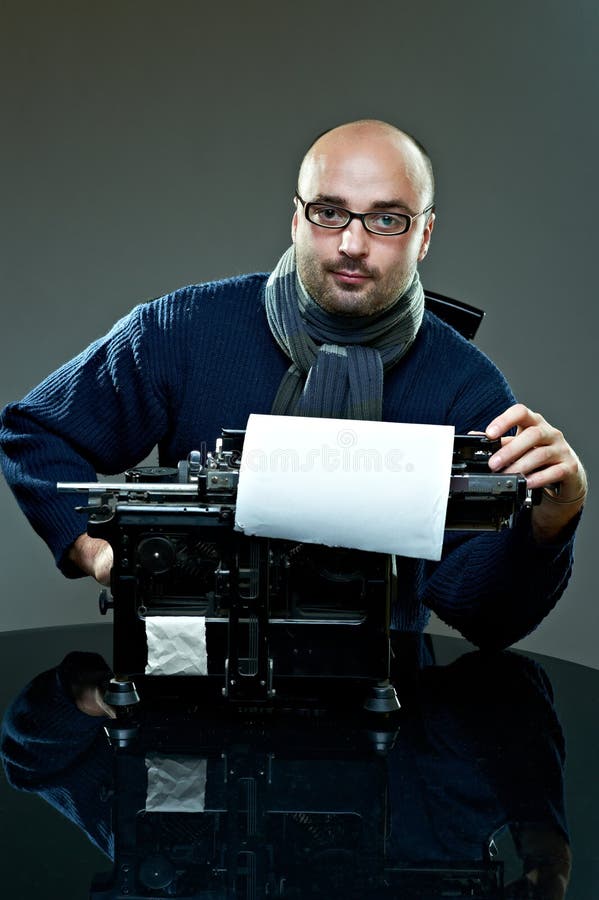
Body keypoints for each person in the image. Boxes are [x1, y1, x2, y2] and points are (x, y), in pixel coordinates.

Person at [0, 119, 587, 648]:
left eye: (387, 220)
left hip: (379, 708)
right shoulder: (184, 330)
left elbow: (486, 618)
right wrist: (96, 552)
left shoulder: (465, 387)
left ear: (425, 235)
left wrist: (553, 522)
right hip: (193, 683)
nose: (352, 245)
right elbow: (33, 432)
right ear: (296, 218)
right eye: (329, 212)